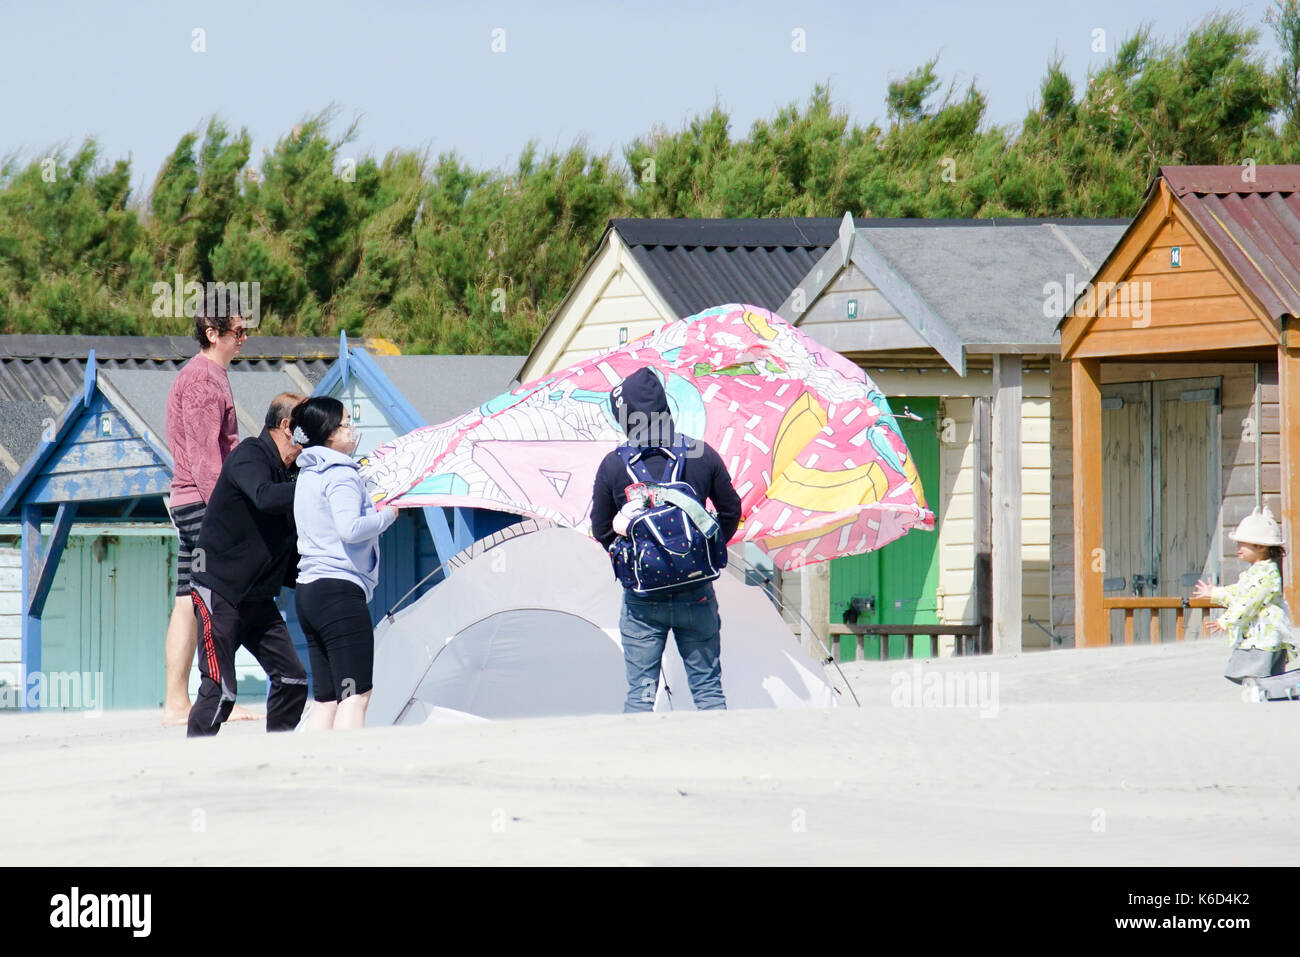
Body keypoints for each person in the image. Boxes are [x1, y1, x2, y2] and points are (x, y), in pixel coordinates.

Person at [591, 367, 742, 713]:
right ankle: (720, 762)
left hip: (643, 600)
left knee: (641, 697)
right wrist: (706, 552)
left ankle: (639, 765)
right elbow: (731, 512)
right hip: (697, 593)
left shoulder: (613, 466)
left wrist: (629, 559)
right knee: (708, 692)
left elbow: (601, 528)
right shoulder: (702, 454)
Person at [187, 393, 310, 738]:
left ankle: (276, 757)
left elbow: (290, 549)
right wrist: (315, 486)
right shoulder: (250, 455)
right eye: (309, 427)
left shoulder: (293, 474)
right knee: (220, 692)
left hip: (257, 599)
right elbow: (265, 497)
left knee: (293, 679)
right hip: (219, 589)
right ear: (287, 427)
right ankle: (191, 766)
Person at [162, 305, 260, 726]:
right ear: (212, 331)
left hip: (188, 502)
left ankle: (176, 704)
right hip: (203, 504)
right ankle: (214, 696)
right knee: (217, 600)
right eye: (237, 331)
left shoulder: (205, 375)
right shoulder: (203, 379)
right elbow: (206, 458)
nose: (243, 339)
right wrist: (228, 512)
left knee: (188, 598)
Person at [290, 397, 398, 730]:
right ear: (329, 432)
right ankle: (349, 768)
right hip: (338, 593)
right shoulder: (340, 473)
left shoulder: (309, 471)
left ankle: (310, 770)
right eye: (346, 423)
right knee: (355, 695)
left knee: (327, 699)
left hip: (309, 591)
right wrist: (388, 516)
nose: (352, 429)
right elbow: (350, 528)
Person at [1193, 506, 1298, 683]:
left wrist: (1225, 621)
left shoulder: (1266, 575)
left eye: (1242, 544)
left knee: (1257, 673)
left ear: (1260, 546)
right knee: (1257, 674)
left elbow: (1248, 602)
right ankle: (1264, 691)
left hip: (1264, 637)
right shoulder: (1256, 572)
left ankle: (1264, 692)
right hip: (1259, 637)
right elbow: (1240, 591)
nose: (1238, 548)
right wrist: (1215, 592)